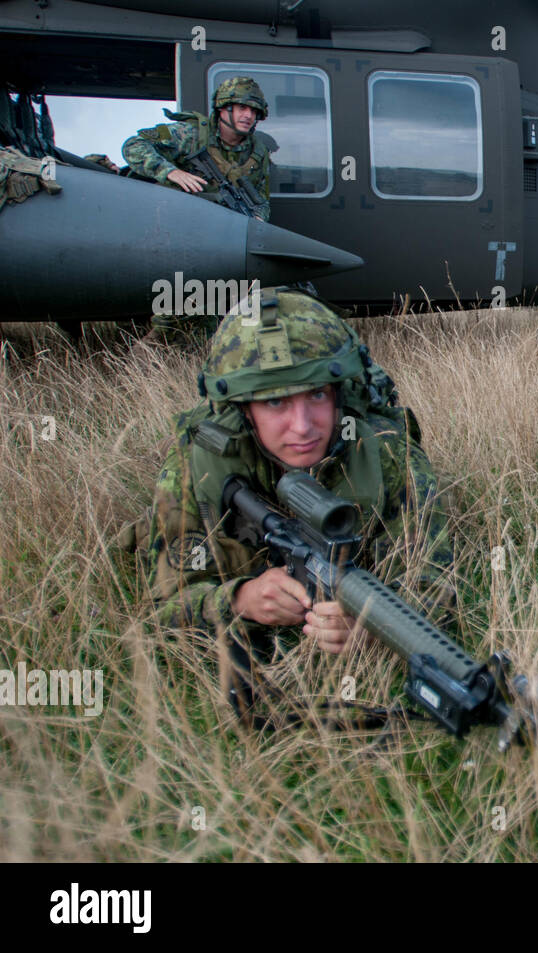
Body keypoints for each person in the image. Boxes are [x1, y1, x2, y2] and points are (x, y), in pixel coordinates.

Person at [136, 286, 454, 716]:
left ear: (339, 392)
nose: (302, 426)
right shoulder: (200, 463)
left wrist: (371, 627)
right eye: (275, 402)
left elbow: (436, 584)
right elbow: (163, 610)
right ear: (243, 408)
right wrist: (241, 600)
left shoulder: (384, 450)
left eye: (318, 395)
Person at [122, 76, 272, 222]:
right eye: (242, 107)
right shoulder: (191, 134)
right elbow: (133, 146)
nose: (248, 115)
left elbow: (261, 200)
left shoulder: (258, 152)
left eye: (254, 111)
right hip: (171, 218)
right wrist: (170, 172)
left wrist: (258, 220)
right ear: (224, 108)